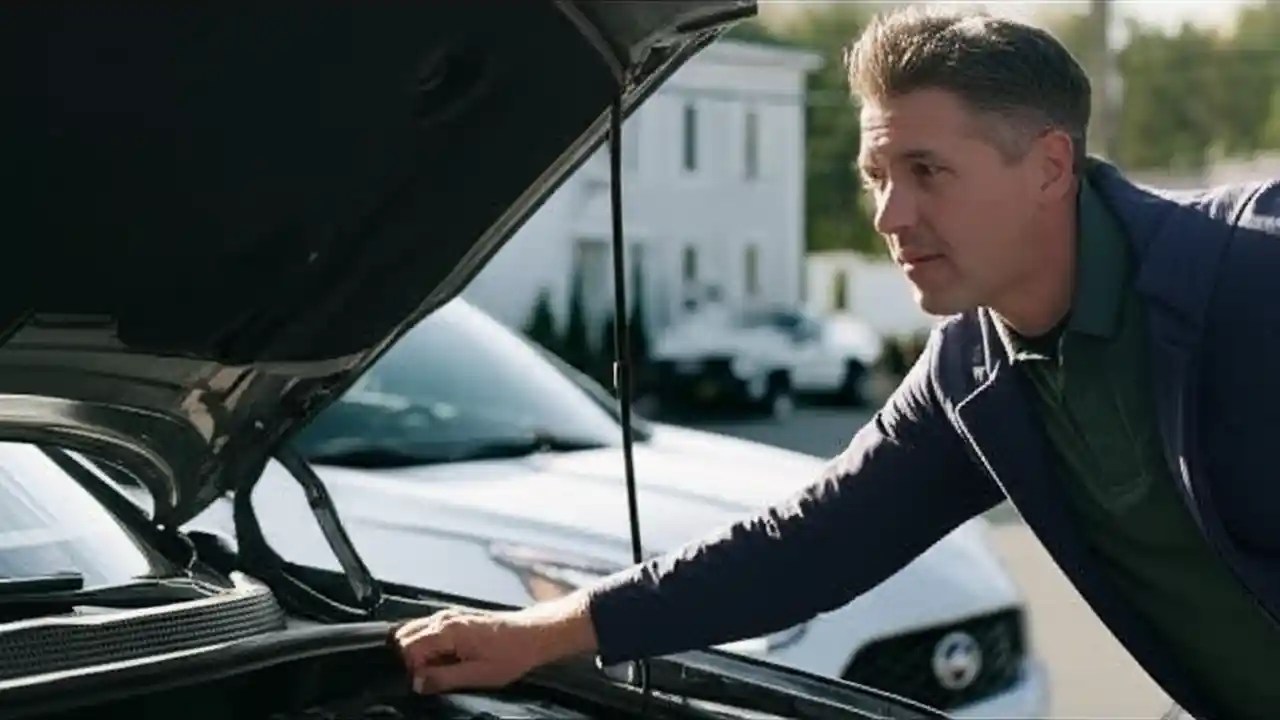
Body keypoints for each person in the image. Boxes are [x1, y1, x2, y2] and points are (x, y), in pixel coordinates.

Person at [393, 7, 1280, 719]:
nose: (890, 216)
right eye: (876, 174)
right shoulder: (970, 374)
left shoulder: (1253, 266)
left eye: (927, 170)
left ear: (1050, 165)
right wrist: (537, 633)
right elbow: (808, 545)